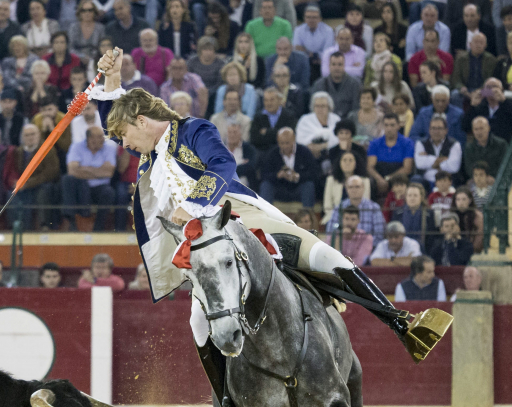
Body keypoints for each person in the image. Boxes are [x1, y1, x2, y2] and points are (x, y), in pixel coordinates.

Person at [93, 47, 444, 379]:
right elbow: (114, 119)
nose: (123, 146)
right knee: (199, 321)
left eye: (125, 136)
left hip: (237, 214)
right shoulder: (151, 156)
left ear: (141, 121)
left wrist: (193, 205)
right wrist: (112, 78)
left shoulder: (192, 130)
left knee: (323, 255)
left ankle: (401, 324)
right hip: (201, 243)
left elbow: (222, 163)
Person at [62, 126, 117, 231]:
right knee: (67, 180)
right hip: (80, 186)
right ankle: (71, 222)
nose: (102, 140)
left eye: (102, 137)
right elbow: (72, 171)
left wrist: (83, 169)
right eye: (99, 137)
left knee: (108, 192)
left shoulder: (109, 148)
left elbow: (109, 172)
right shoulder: (76, 147)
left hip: (99, 188)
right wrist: (98, 171)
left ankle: (99, 228)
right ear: (89, 139)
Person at [10, 123, 61, 229]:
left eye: (33, 134)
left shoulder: (48, 149)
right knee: (11, 194)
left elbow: (51, 172)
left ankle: (44, 225)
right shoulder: (19, 151)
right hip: (25, 185)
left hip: (43, 183)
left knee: (43, 192)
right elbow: (15, 170)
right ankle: (19, 227)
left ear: (39, 135)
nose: (30, 137)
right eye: (27, 135)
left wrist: (28, 183)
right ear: (23, 137)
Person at [259, 127, 320, 209]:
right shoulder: (272, 153)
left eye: (287, 143)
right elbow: (264, 175)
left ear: (294, 139)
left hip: (299, 189)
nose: (284, 146)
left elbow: (314, 173)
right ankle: (264, 216)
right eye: (281, 143)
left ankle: (308, 215)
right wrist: (278, 175)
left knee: (309, 185)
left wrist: (297, 176)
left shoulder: (304, 152)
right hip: (280, 189)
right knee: (266, 186)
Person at [367, 113, 413, 196]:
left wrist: (388, 179)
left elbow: (407, 168)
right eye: (386, 125)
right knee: (368, 182)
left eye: (392, 125)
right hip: (379, 175)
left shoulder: (407, 143)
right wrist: (380, 180)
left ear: (398, 126)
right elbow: (370, 167)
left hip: (399, 177)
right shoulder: (374, 143)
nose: (389, 128)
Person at [462, 77, 512, 143]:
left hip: (505, 144)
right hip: (484, 146)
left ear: (502, 90)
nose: (492, 90)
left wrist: (504, 101)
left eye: (495, 87)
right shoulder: (480, 107)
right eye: (488, 87)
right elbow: (465, 127)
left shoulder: (508, 105)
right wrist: (473, 106)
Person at [327, 173, 384, 240]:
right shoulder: (339, 208)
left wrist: (363, 244)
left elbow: (379, 236)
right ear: (346, 189)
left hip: (368, 248)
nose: (354, 190)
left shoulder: (374, 208)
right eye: (351, 187)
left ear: (363, 188)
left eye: (357, 187)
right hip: (343, 248)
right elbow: (330, 233)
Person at [311, 52, 362, 118]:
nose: (336, 68)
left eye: (340, 64)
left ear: (344, 65)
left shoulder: (355, 84)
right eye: (333, 64)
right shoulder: (319, 85)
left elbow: (356, 109)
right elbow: (313, 109)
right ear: (329, 66)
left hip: (347, 123)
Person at [451, 32, 496, 106]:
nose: (478, 45)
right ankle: (460, 116)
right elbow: (456, 79)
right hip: (465, 89)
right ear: (470, 44)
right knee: (455, 95)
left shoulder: (491, 60)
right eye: (475, 42)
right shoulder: (461, 58)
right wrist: (461, 87)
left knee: (492, 93)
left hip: (484, 89)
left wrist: (480, 91)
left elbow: (490, 79)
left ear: (485, 45)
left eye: (481, 42)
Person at [414, 115, 461, 186]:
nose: (436, 131)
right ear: (429, 130)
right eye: (433, 128)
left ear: (446, 130)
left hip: (447, 180)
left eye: (439, 128)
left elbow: (453, 167)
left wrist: (428, 159)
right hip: (426, 180)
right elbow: (420, 164)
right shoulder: (420, 143)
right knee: (416, 180)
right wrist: (442, 160)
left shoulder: (454, 144)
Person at [322, 153, 366, 225]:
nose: (347, 163)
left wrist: (354, 219)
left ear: (356, 163)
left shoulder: (365, 180)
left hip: (359, 217)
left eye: (350, 160)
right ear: (339, 163)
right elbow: (327, 206)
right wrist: (336, 217)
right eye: (344, 160)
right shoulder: (331, 180)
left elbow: (365, 201)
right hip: (335, 216)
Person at [295, 92, 340, 161]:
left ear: (329, 107)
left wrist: (321, 146)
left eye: (323, 106)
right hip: (310, 156)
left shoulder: (336, 119)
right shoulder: (305, 120)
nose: (320, 109)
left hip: (334, 156)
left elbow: (340, 139)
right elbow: (300, 142)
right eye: (317, 106)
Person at [293, 4, 334, 78]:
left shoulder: (328, 31)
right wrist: (314, 55)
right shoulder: (298, 30)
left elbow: (327, 53)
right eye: (308, 17)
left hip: (322, 64)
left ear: (320, 19)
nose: (311, 20)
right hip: (304, 63)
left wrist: (307, 52)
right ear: (304, 18)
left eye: (314, 17)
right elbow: (297, 51)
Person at [392, 181, 434, 248]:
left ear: (421, 197)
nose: (412, 198)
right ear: (406, 197)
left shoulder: (428, 213)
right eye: (409, 195)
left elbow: (431, 237)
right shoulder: (398, 212)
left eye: (415, 195)